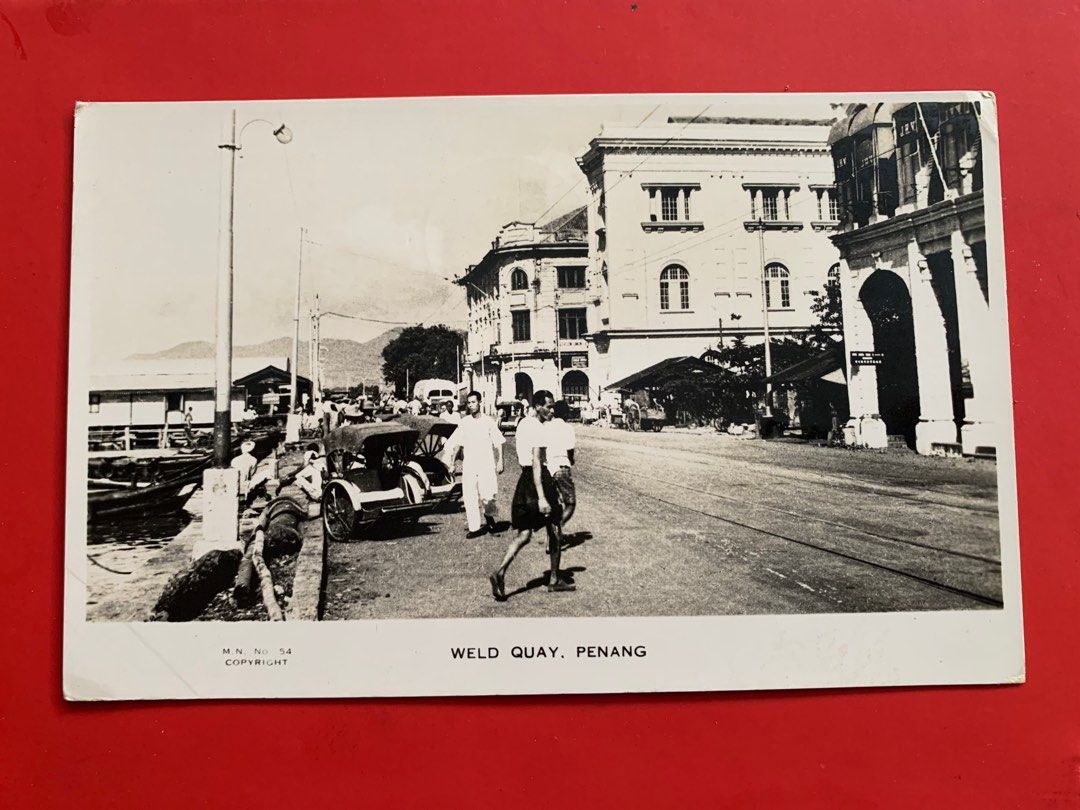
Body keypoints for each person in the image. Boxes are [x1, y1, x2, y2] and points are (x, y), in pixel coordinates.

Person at [489, 389, 574, 601]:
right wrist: (542, 497)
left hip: (524, 481)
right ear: (537, 406)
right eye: (548, 406)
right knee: (555, 528)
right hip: (539, 480)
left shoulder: (523, 424)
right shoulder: (537, 428)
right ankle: (554, 579)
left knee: (524, 534)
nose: (552, 411)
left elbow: (525, 461)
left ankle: (500, 571)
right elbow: (537, 462)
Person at [441, 391, 504, 539]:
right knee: (470, 494)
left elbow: (498, 442)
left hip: (486, 463)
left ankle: (489, 517)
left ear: (479, 403)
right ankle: (474, 527)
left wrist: (501, 460)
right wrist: (452, 463)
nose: (471, 405)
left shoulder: (488, 421)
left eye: (473, 402)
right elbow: (458, 444)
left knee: (488, 495)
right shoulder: (465, 422)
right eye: (469, 403)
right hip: (470, 463)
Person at [546, 400, 577, 530]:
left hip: (548, 468)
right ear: (565, 414)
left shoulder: (546, 426)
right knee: (570, 503)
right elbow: (570, 449)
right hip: (562, 466)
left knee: (552, 504)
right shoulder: (568, 428)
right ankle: (558, 525)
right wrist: (571, 459)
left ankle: (552, 534)